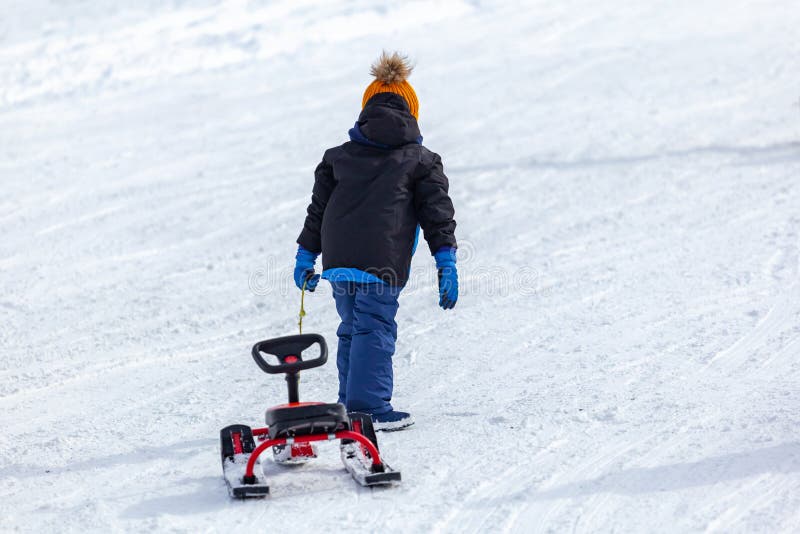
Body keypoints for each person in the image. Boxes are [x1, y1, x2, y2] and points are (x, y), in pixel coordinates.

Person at [294, 51, 458, 431]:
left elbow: (318, 210)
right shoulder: (421, 160)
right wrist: (445, 261)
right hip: (382, 258)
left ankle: (349, 403)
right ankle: (367, 407)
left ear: (365, 110)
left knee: (352, 326)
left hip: (338, 258)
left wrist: (306, 255)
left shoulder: (338, 157)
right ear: (411, 112)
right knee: (375, 327)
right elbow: (437, 214)